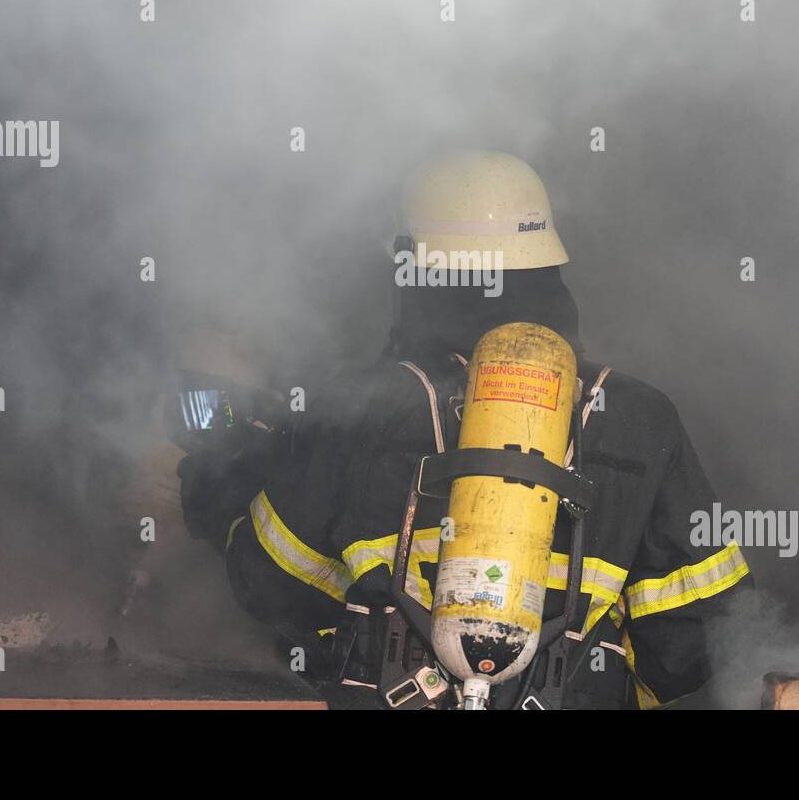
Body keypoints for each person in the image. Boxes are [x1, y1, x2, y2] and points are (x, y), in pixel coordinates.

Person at [179, 150, 752, 708]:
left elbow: (272, 586)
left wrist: (220, 480)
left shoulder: (354, 410)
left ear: (416, 270)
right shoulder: (639, 416)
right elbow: (693, 641)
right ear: (547, 267)